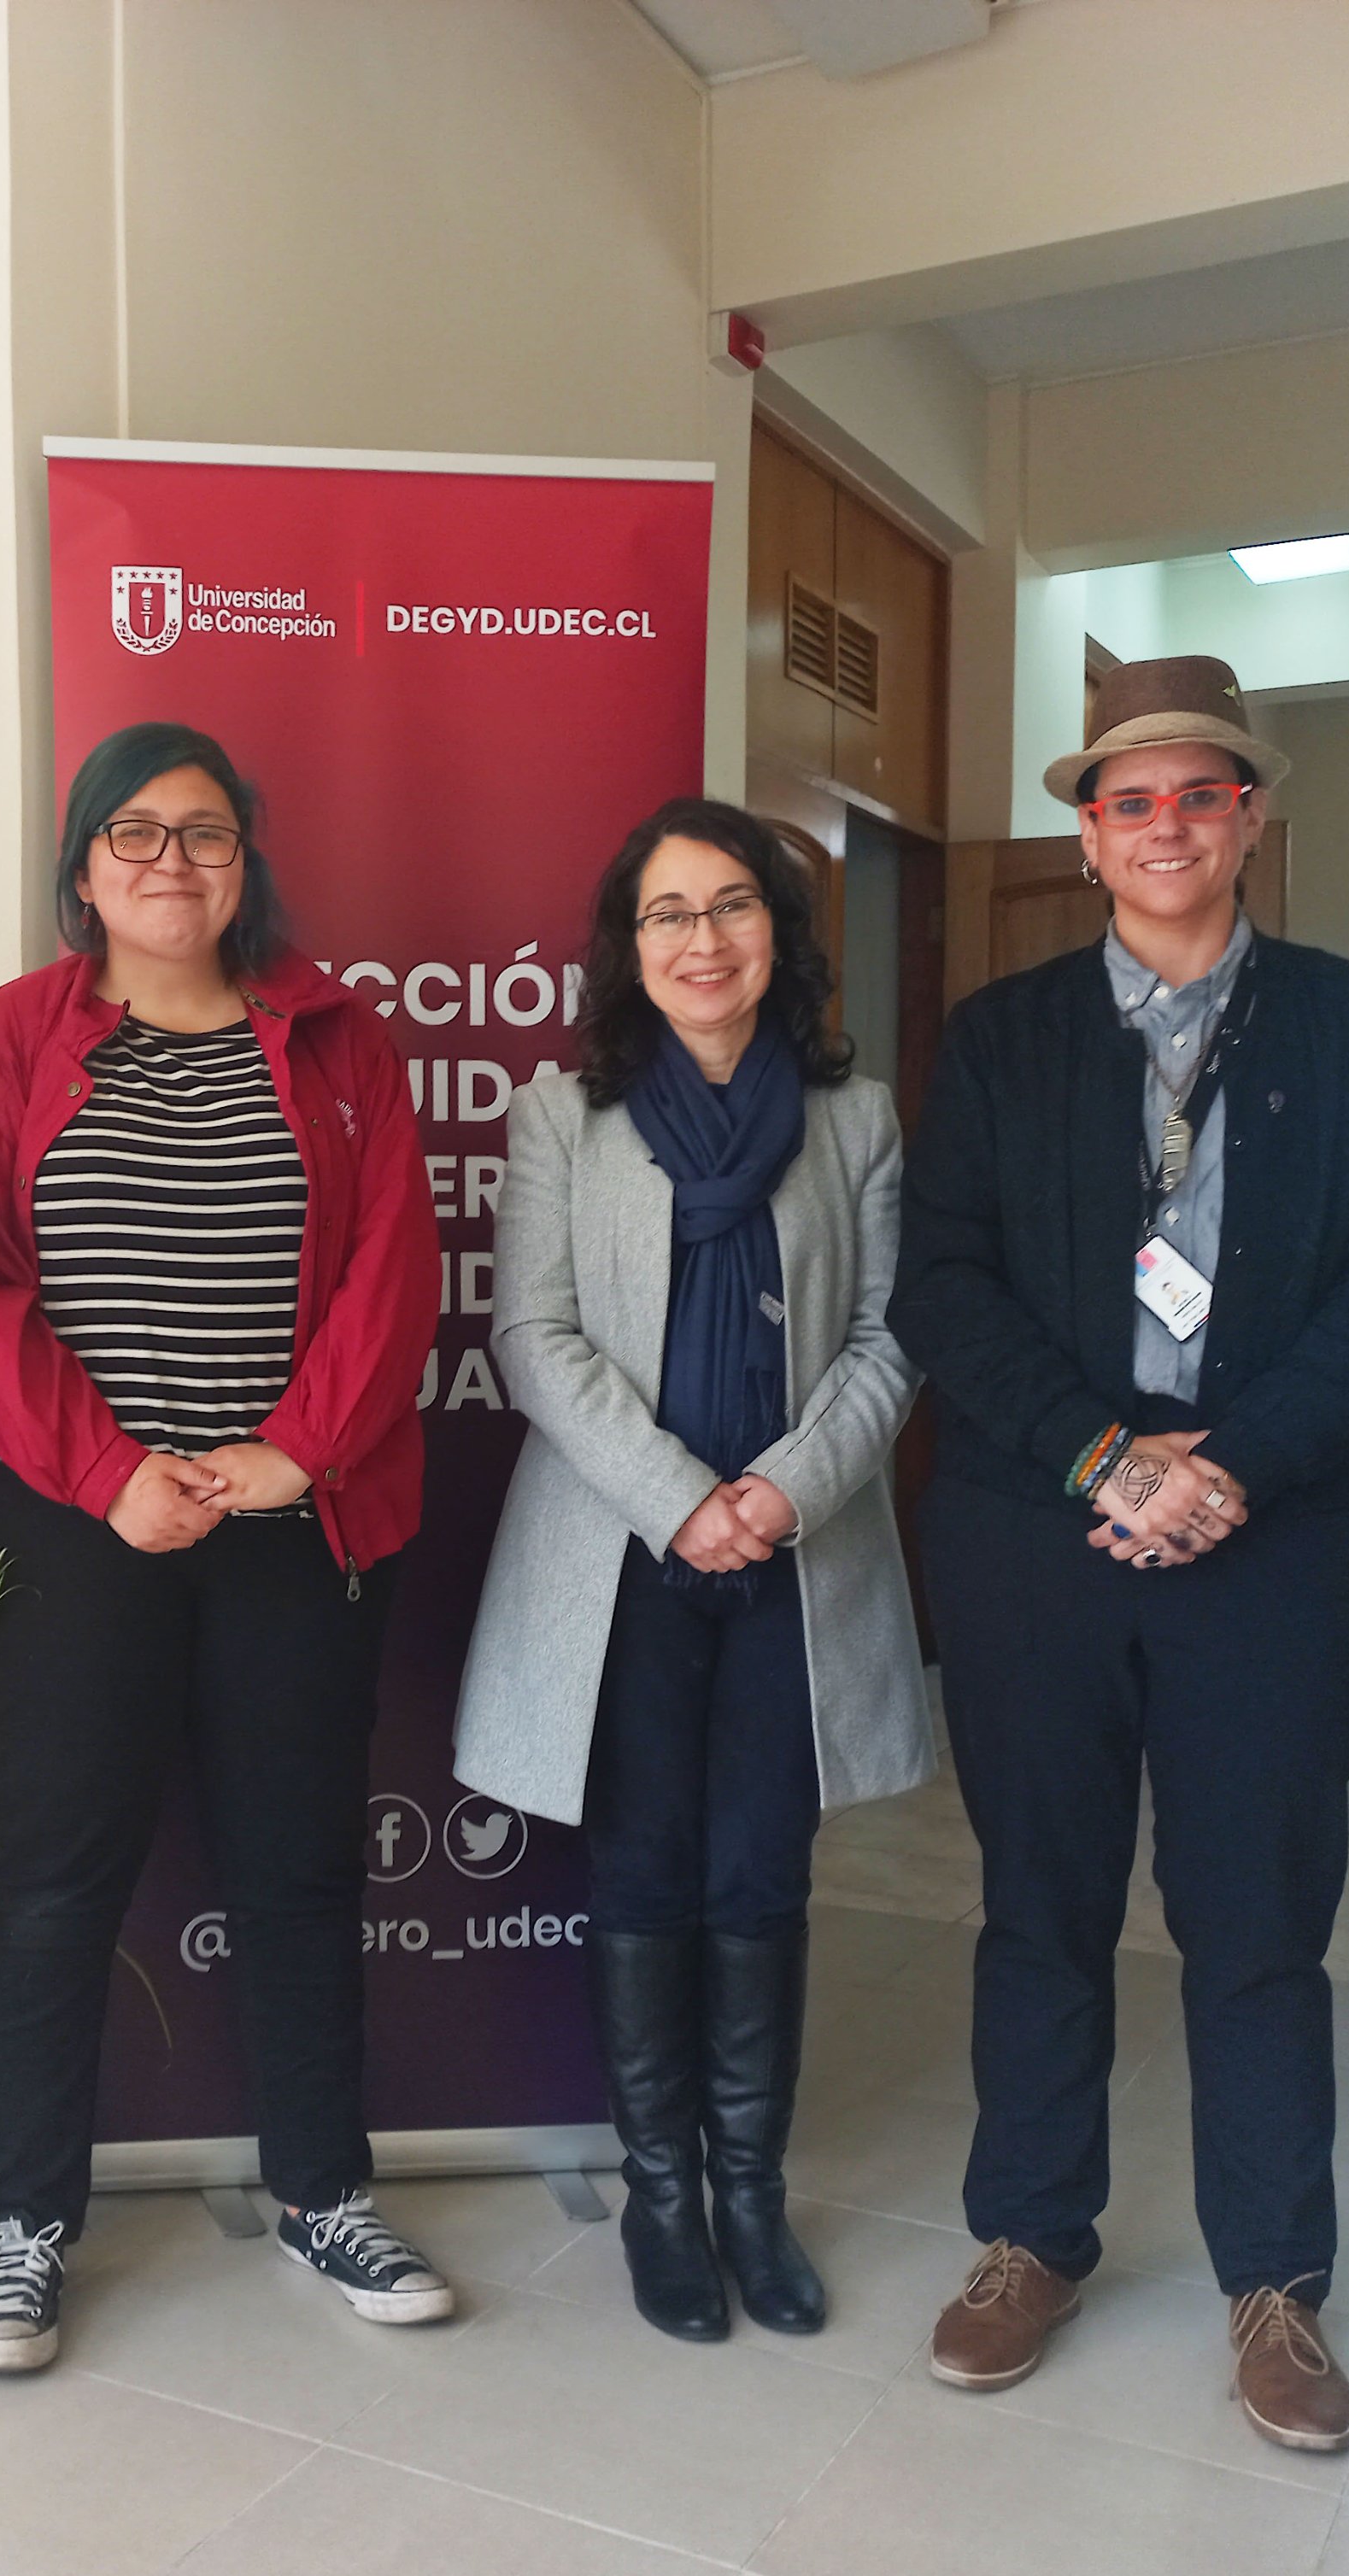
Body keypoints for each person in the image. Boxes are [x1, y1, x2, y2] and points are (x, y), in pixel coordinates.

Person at [886, 655, 1349, 2454]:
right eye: (1128, 801)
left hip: (1265, 1542)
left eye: (1197, 796)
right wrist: (1097, 1452)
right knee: (1036, 1906)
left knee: (1256, 1923)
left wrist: (1230, 1467)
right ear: (1086, 832)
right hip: (1034, 1534)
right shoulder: (999, 1035)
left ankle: (1272, 2282)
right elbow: (939, 1290)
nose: (1163, 827)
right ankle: (1024, 2240)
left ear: (1246, 820)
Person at [0, 719, 449, 2371]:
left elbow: (393, 1272)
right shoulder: (3, 1043)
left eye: (204, 835)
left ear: (246, 863)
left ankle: (324, 2194)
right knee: (56, 1872)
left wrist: (298, 1449)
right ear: (83, 869)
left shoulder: (341, 1043)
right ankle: (21, 2227)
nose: (170, 862)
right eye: (133, 835)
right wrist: (103, 1469)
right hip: (74, 1517)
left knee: (296, 1864)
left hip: (297, 1515)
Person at [454, 798, 930, 2345]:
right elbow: (532, 1335)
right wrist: (682, 1501)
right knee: (648, 1880)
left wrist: (779, 1496)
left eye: (732, 907)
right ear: (629, 944)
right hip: (622, 1559)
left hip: (799, 1557)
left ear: (776, 936)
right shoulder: (561, 1113)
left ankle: (751, 2197)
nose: (703, 939)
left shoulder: (854, 1116)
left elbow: (892, 1336)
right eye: (668, 913)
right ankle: (662, 2201)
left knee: (761, 1884)